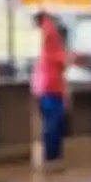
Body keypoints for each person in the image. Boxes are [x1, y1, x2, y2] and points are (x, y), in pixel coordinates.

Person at [31, 11, 68, 170]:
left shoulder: (46, 39)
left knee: (51, 123)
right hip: (51, 87)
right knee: (53, 124)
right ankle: (51, 158)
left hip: (46, 87)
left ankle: (52, 157)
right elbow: (61, 61)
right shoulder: (51, 37)